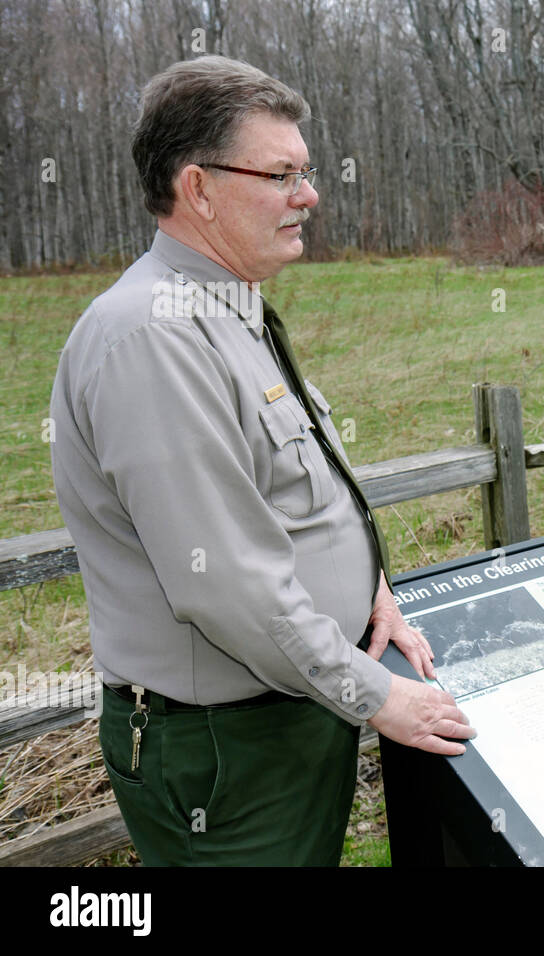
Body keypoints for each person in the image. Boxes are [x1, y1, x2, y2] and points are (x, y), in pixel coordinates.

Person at [49, 55, 474, 865]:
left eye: (305, 172)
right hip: (227, 749)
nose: (308, 195)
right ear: (199, 188)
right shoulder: (155, 338)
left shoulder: (223, 306)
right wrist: (378, 696)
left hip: (284, 707)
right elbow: (224, 584)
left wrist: (368, 593)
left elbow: (290, 493)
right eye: (282, 174)